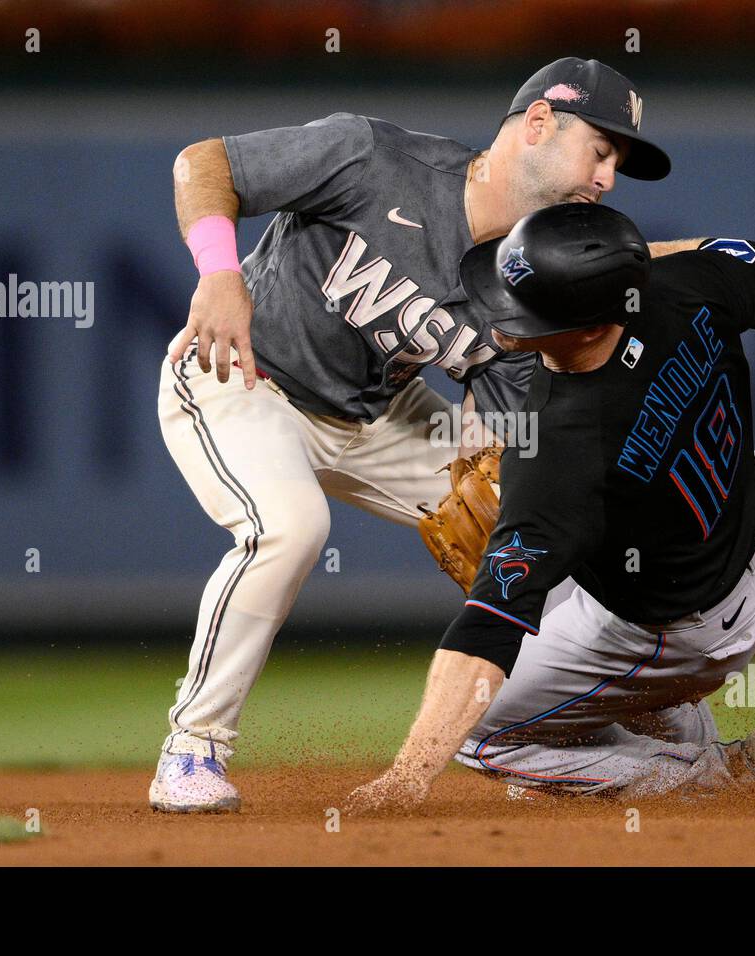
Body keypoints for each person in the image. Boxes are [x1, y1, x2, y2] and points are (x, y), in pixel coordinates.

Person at [151, 57, 697, 812]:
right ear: (538, 123)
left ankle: (656, 727)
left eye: (617, 164)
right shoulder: (372, 158)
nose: (607, 179)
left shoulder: (535, 284)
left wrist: (520, 478)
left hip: (379, 415)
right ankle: (192, 750)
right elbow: (204, 163)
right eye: (600, 151)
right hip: (242, 377)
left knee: (535, 537)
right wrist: (218, 275)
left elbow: (518, 422)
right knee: (292, 526)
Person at [347, 203, 755, 812]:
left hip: (689, 634)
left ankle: (714, 773)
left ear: (585, 327)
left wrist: (409, 774)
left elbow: (486, 632)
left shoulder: (557, 451)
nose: (501, 315)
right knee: (594, 568)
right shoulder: (685, 287)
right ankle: (682, 724)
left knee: (482, 737)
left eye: (527, 305)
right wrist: (625, 268)